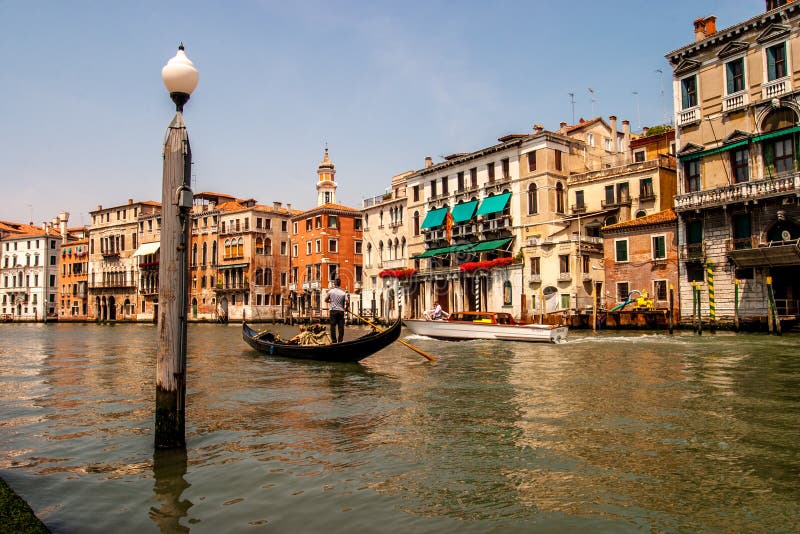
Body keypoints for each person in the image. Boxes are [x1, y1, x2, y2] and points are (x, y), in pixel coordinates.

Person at [325, 278, 349, 343]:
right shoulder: (343, 293)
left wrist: (331, 301)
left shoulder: (331, 291)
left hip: (333, 311)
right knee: (341, 327)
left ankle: (334, 341)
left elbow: (326, 300)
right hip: (341, 311)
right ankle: (340, 340)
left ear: (334, 284)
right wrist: (346, 308)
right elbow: (347, 302)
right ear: (340, 284)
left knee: (333, 327)